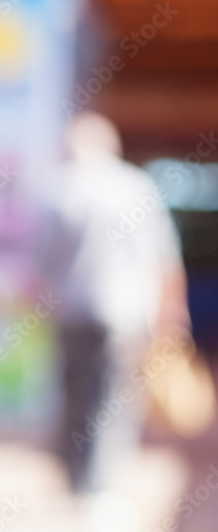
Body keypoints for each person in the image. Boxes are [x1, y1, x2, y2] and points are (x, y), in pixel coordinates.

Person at [38, 112, 189, 496]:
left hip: (70, 311)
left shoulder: (58, 189)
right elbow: (163, 257)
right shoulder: (136, 187)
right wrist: (172, 312)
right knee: (113, 399)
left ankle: (76, 477)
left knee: (74, 391)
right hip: (126, 312)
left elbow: (41, 261)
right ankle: (98, 485)